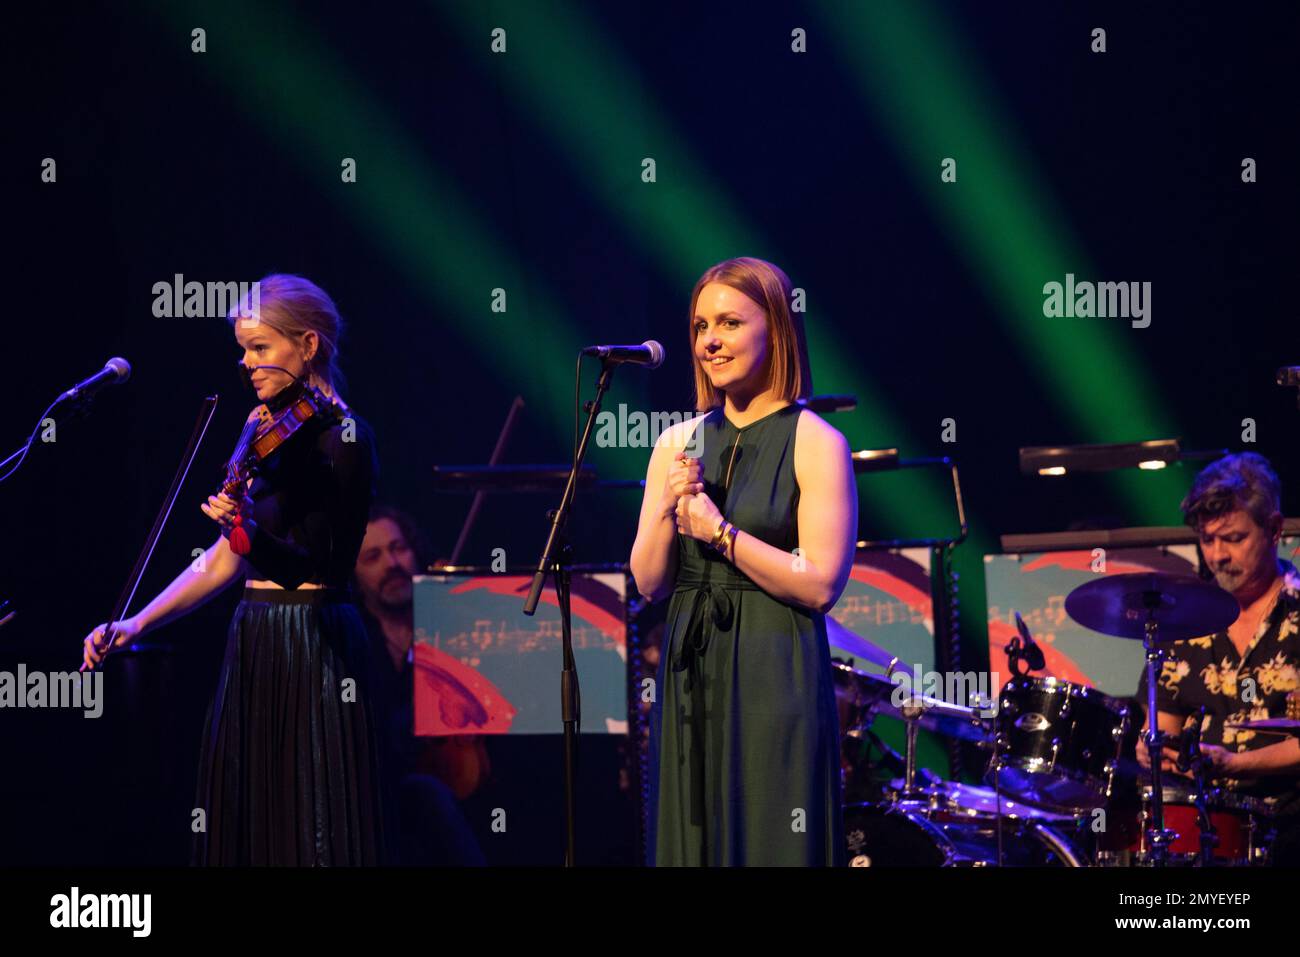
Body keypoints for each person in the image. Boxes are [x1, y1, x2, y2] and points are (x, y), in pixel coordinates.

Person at [81, 274, 384, 866]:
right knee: (249, 829)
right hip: (256, 635)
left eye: (260, 348)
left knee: (314, 828)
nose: (246, 362)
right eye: (243, 349)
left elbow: (319, 565)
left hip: (315, 642)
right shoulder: (259, 424)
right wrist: (137, 623)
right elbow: (225, 559)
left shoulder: (345, 438)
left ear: (309, 345)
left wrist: (247, 529)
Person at [630, 256, 857, 866]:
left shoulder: (816, 442)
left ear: (776, 328)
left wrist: (720, 533)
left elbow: (819, 585)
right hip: (689, 664)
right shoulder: (675, 441)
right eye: (701, 326)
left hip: (772, 662)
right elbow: (649, 581)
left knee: (771, 835)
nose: (710, 341)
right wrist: (670, 503)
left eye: (729, 323)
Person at [1136, 452, 1300, 864]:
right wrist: (1154, 748)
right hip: (1207, 832)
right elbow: (1162, 728)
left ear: (1275, 529)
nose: (1218, 555)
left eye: (1234, 538)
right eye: (1207, 540)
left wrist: (1237, 764)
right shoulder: (1182, 622)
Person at [353, 505, 487, 865]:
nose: (392, 564)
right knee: (424, 793)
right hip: (380, 802)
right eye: (373, 557)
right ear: (355, 575)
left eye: (399, 549)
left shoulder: (451, 624)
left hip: (470, 797)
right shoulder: (355, 641)